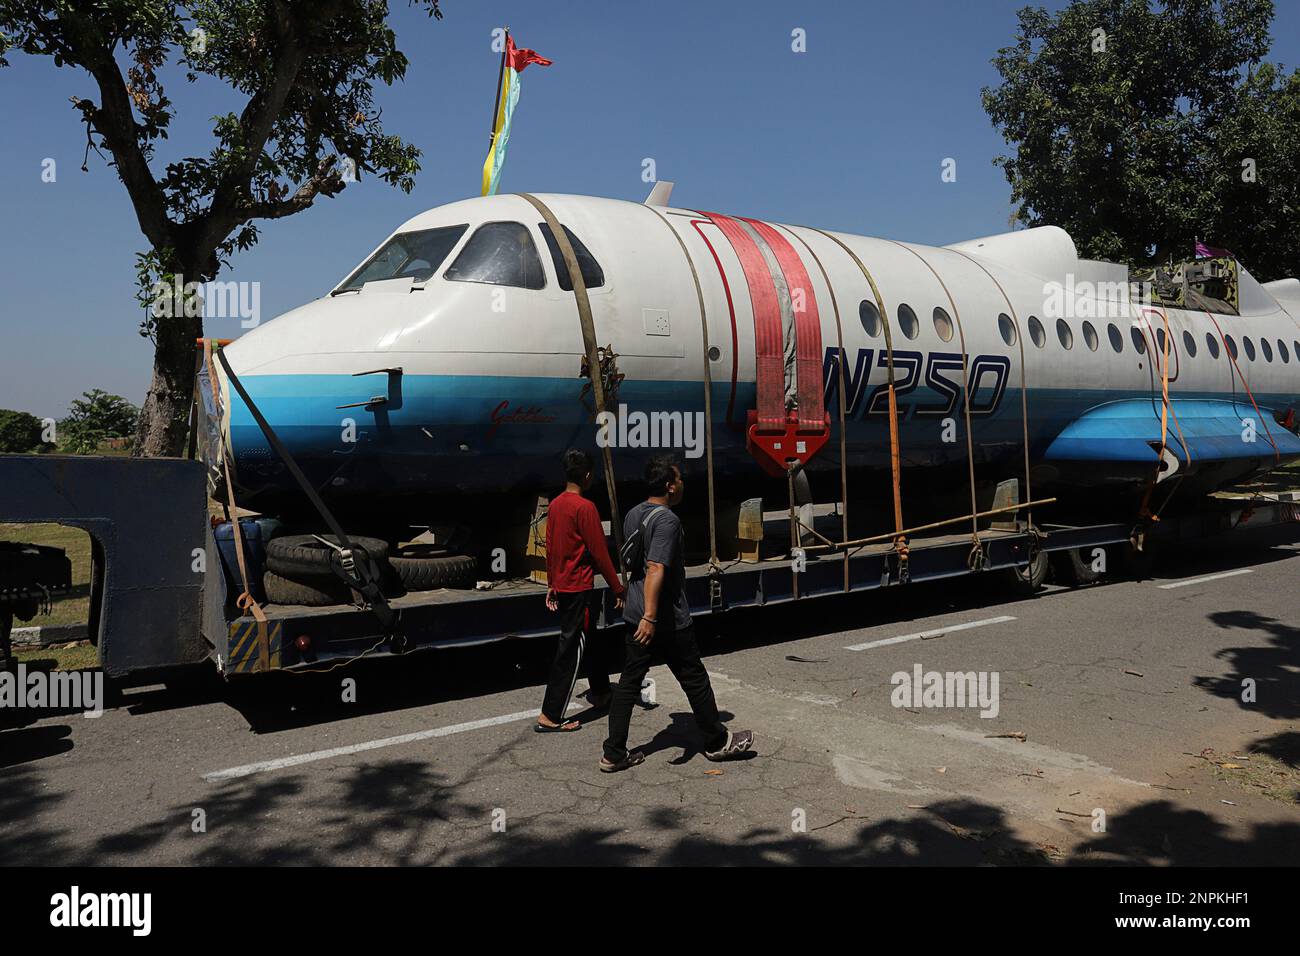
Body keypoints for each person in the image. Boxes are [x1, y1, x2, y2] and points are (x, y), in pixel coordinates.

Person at [600, 455, 754, 771]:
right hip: (663, 618)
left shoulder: (634, 514)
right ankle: (717, 741)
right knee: (693, 678)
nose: (683, 483)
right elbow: (655, 567)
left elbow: (634, 564)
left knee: (629, 681)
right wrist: (652, 616)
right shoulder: (667, 520)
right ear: (670, 486)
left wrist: (639, 611)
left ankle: (613, 753)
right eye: (679, 479)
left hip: (637, 611)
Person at [537, 449, 625, 732]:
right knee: (571, 648)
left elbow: (550, 546)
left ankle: (601, 692)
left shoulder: (556, 505)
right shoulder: (585, 508)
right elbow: (600, 553)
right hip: (579, 587)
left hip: (563, 584)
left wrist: (551, 582)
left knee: (591, 641)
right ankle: (550, 714)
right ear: (587, 476)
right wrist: (618, 587)